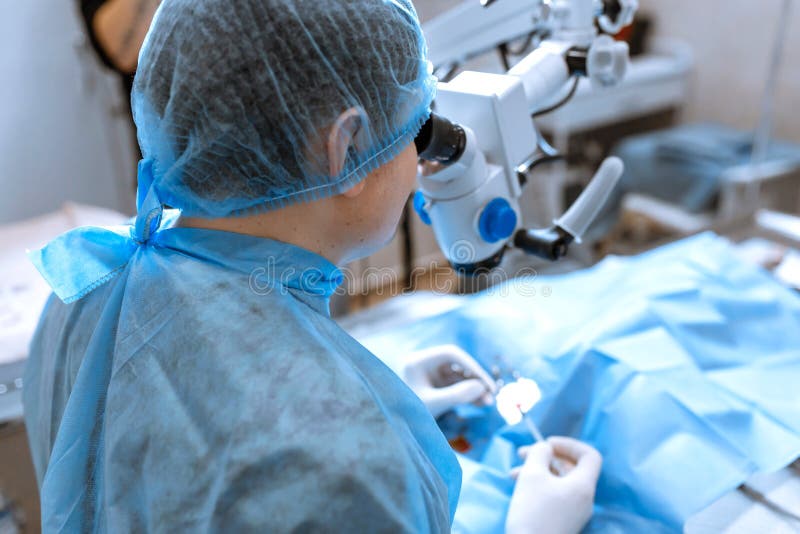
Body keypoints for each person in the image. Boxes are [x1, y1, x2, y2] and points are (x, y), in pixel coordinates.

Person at [24, 0, 602, 531]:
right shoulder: (351, 474)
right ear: (347, 150)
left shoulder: (84, 287)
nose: (420, 158)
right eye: (416, 121)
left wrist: (367, 407)